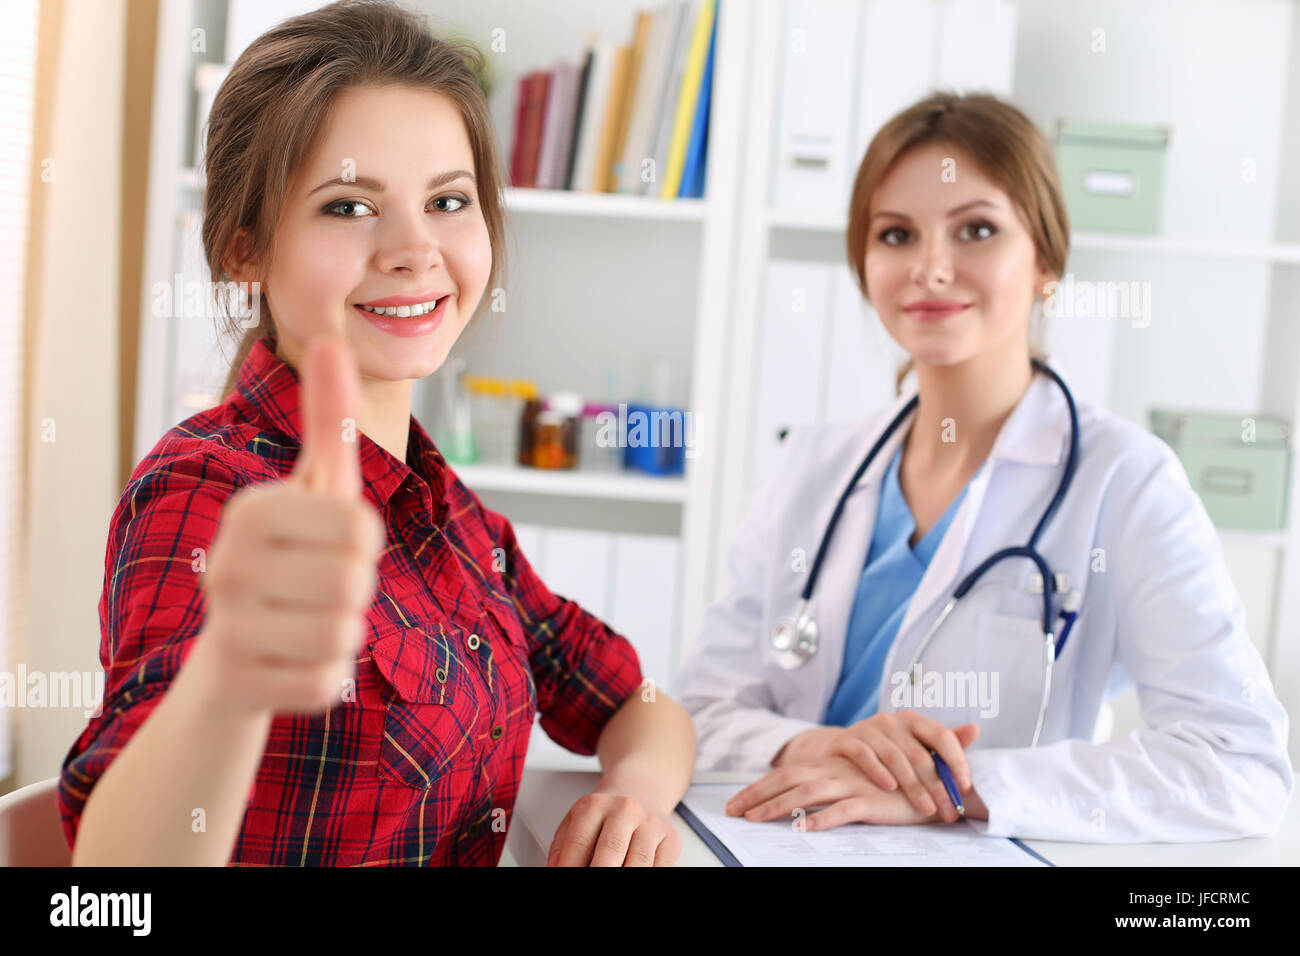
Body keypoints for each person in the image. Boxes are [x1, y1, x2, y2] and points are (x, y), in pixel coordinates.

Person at [60, 0, 694, 867]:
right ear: (243, 248)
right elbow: (116, 876)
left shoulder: (455, 518)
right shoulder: (205, 492)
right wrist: (230, 676)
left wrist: (634, 796)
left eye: (447, 200)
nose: (413, 249)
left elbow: (636, 699)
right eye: (350, 207)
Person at [675, 91, 1293, 842]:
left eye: (976, 230)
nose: (931, 269)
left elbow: (1239, 765)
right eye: (896, 235)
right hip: (777, 844)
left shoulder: (1126, 483)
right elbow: (700, 711)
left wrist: (952, 786)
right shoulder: (815, 465)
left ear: (1047, 262)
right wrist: (818, 747)